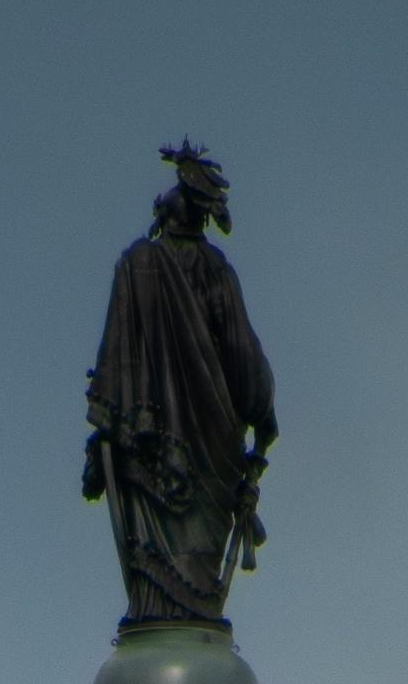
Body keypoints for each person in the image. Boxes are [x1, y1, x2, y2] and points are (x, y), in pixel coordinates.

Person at [83, 146, 277, 626]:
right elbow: (243, 355)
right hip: (207, 436)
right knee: (185, 549)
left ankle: (161, 617)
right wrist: (264, 420)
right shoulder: (199, 270)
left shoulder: (141, 264)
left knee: (158, 540)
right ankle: (169, 618)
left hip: (157, 439)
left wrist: (112, 418)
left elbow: (118, 351)